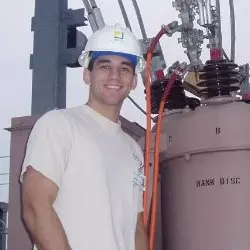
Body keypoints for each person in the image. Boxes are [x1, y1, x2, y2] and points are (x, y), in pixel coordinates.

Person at [20, 23, 149, 250]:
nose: (115, 76)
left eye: (125, 69)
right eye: (104, 66)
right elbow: (36, 207)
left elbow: (136, 228)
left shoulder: (133, 150)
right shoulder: (59, 125)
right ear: (87, 75)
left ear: (134, 81)